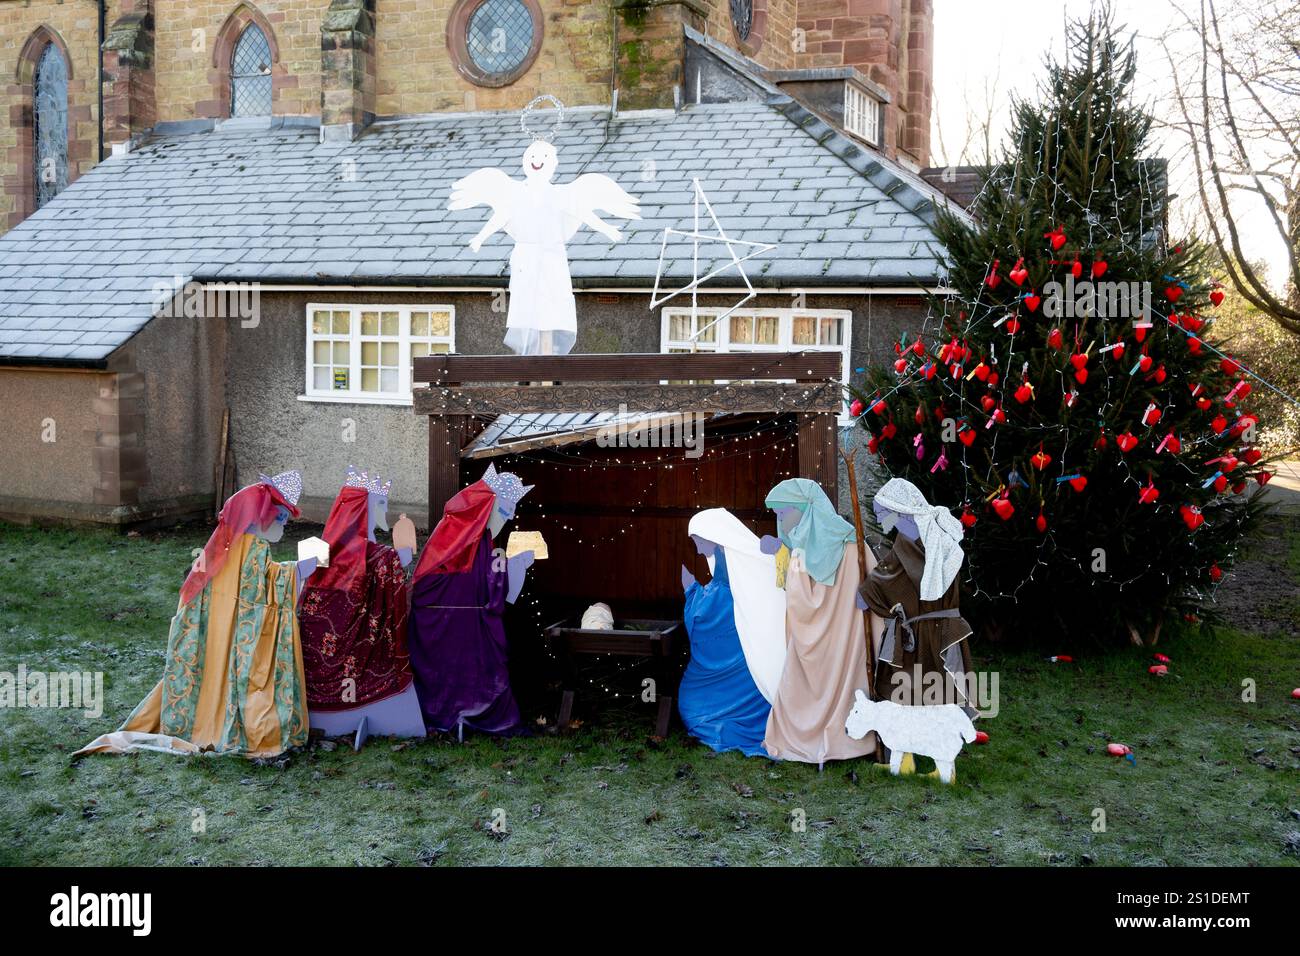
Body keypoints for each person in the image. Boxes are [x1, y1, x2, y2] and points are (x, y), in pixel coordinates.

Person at [75, 471, 319, 759]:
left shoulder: (223, 546)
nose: (285, 524)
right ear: (265, 515)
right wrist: (303, 567)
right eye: (281, 517)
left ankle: (198, 714)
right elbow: (260, 594)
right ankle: (234, 722)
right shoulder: (252, 548)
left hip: (214, 633)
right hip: (233, 635)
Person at [298, 467, 424, 746]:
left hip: (318, 644)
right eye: (380, 504)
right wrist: (399, 562)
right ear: (362, 507)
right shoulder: (384, 556)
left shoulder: (317, 547)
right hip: (344, 646)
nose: (386, 510)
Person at [407, 464, 535, 739]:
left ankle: (471, 714)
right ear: (487, 505)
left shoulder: (485, 539)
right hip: (447, 622)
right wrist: (510, 569)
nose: (506, 520)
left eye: (510, 514)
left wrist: (511, 567)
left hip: (471, 621)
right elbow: (443, 578)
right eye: (503, 511)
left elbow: (485, 579)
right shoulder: (455, 535)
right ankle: (454, 715)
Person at [759, 479, 878, 766]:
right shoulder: (803, 547)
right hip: (817, 644)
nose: (780, 521)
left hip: (846, 642)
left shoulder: (851, 546)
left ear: (805, 509)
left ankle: (845, 739)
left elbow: (870, 588)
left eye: (783, 513)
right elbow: (802, 600)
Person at [859, 478, 977, 733]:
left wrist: (866, 594)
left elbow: (889, 574)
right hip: (942, 626)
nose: (879, 521)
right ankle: (938, 736)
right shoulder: (936, 536)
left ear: (898, 511)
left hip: (928, 628)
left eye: (881, 514)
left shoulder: (910, 541)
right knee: (936, 687)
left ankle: (916, 739)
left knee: (915, 686)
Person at [677, 509, 783, 756]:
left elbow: (718, 602)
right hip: (731, 622)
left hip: (737, 634)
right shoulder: (727, 556)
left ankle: (731, 724)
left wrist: (692, 592)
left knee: (693, 704)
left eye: (699, 542)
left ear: (714, 536)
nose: (699, 550)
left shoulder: (734, 556)